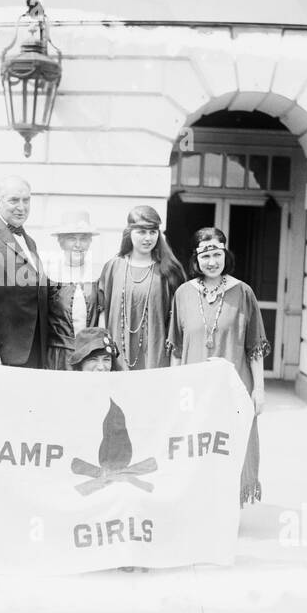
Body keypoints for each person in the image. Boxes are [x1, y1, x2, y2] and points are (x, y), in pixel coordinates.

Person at [166, 227, 271, 504]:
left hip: (233, 390)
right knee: (196, 449)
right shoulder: (183, 294)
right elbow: (176, 347)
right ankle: (198, 506)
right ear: (195, 259)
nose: (211, 261)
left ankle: (226, 510)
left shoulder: (243, 292)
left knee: (230, 448)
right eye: (205, 255)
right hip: (195, 392)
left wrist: (258, 389)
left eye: (217, 253)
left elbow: (255, 347)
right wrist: (175, 388)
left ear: (225, 254)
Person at [0, 176, 66, 369]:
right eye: (14, 200)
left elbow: (39, 288)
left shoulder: (29, 241)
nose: (22, 206)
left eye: (26, 200)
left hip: (33, 352)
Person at [97, 205, 186, 371]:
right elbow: (102, 314)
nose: (148, 238)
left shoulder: (169, 270)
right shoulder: (112, 267)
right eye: (142, 232)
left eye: (153, 232)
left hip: (155, 359)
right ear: (129, 232)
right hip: (117, 358)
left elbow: (177, 323)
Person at [46, 210, 104, 372]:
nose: (78, 245)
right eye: (72, 238)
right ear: (61, 242)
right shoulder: (49, 276)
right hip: (58, 357)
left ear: (90, 242)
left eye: (84, 239)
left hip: (89, 358)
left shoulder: (97, 276)